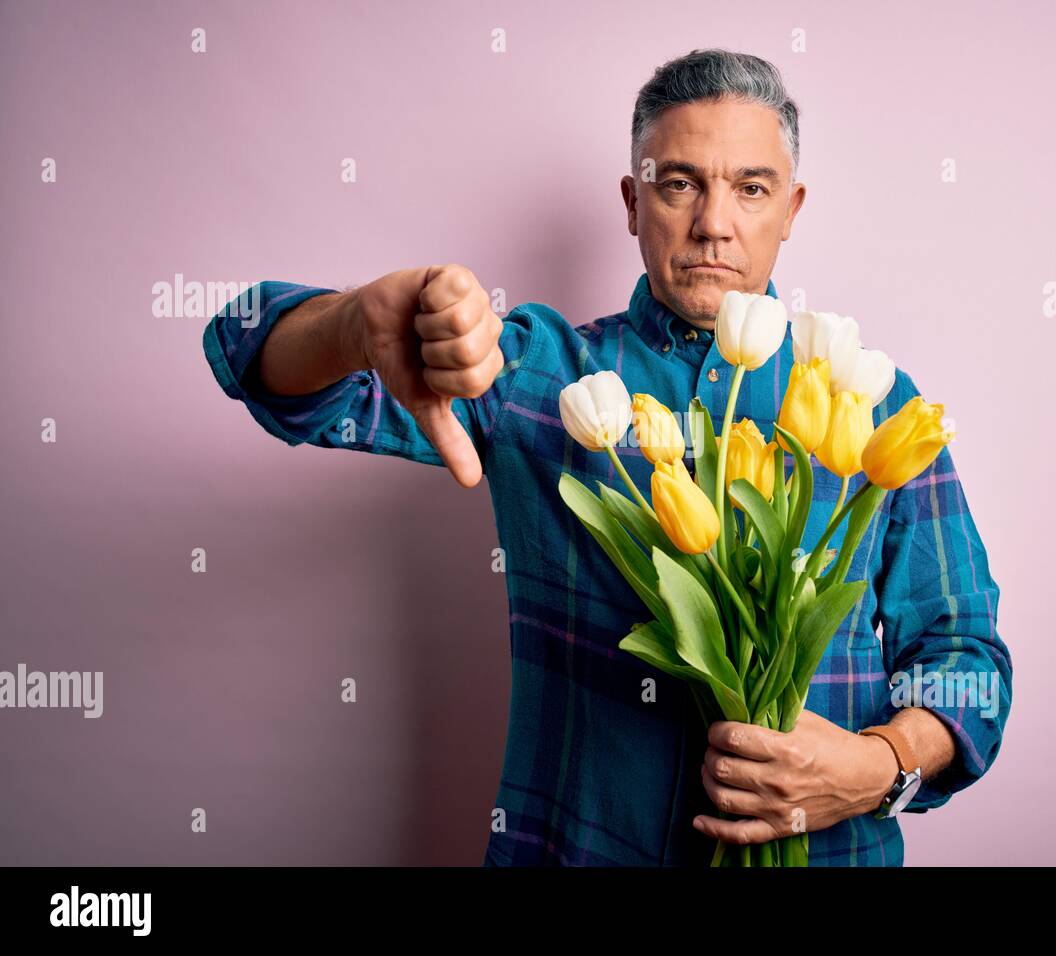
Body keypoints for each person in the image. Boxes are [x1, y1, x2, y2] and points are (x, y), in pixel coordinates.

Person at [202, 48, 1012, 866]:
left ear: (792, 209)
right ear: (632, 202)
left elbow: (964, 657)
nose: (714, 223)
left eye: (752, 188)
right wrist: (350, 327)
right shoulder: (532, 376)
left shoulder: (874, 403)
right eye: (680, 183)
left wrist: (877, 768)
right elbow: (246, 346)